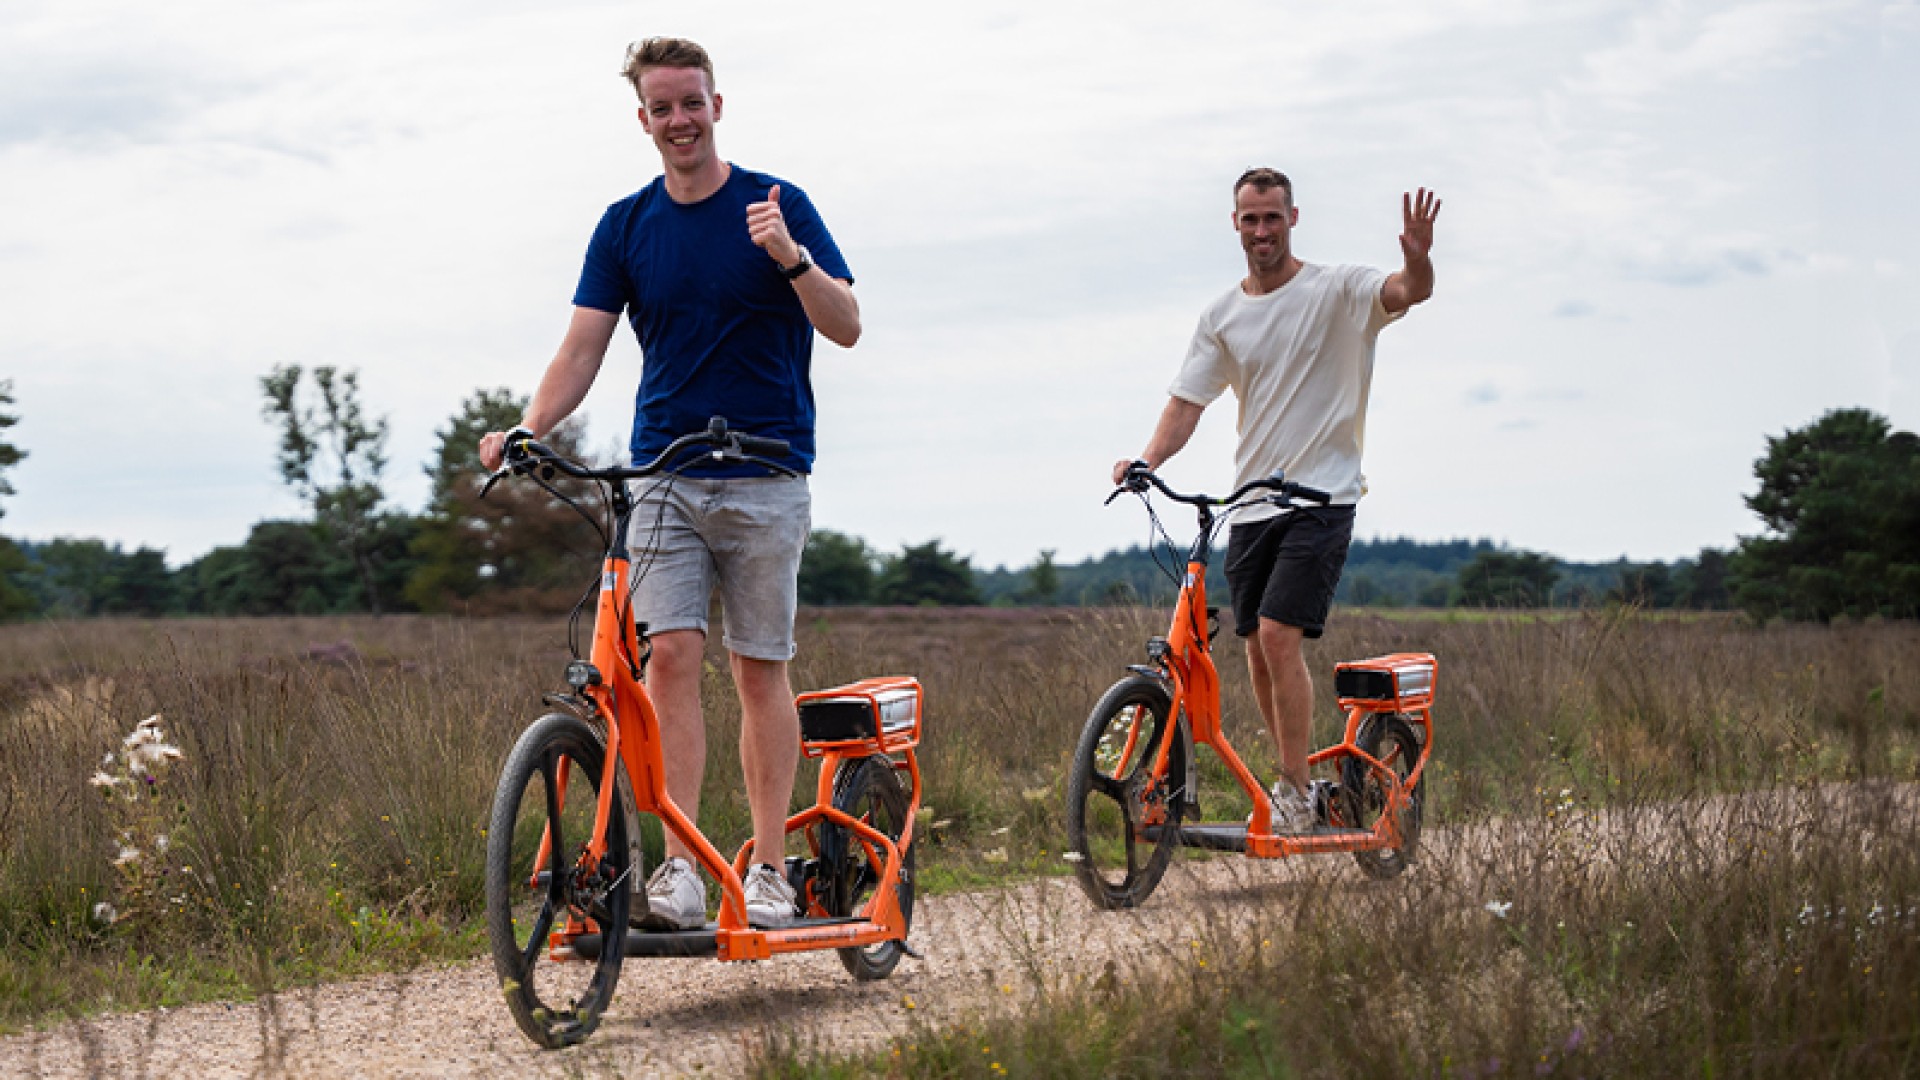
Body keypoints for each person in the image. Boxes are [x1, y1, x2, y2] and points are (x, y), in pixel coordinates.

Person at [479, 37, 860, 929]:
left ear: (716, 107)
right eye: (663, 108)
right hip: (664, 477)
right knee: (671, 663)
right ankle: (685, 869)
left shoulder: (777, 204)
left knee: (759, 670)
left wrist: (791, 259)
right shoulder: (626, 226)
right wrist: (530, 431)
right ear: (643, 120)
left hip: (767, 474)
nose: (680, 120)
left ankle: (767, 870)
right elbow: (582, 348)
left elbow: (845, 325)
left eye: (693, 103)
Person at [1112, 168, 1438, 833]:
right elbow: (1187, 402)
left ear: (1294, 219)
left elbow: (1407, 291)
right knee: (1257, 648)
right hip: (1252, 504)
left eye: (1273, 218)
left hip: (1322, 498)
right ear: (1235, 224)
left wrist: (1418, 258)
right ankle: (1300, 779)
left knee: (1281, 637)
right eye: (1250, 219)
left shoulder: (1339, 291)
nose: (1262, 230)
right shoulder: (1222, 315)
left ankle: (1290, 790)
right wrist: (1148, 459)